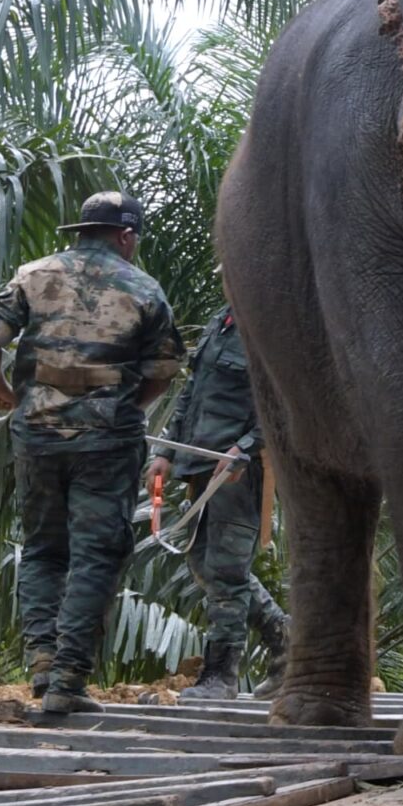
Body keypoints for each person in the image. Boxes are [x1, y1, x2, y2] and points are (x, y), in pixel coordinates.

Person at [0, 192, 184, 715]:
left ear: (82, 231)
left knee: (43, 550)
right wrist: (123, 408)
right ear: (126, 236)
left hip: (36, 434)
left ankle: (42, 664)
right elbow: (164, 370)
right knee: (96, 553)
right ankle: (67, 680)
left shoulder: (35, 274)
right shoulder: (144, 289)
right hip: (107, 442)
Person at [150, 297, 290, 702]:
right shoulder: (222, 321)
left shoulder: (270, 326)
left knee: (227, 572)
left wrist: (244, 447)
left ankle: (220, 676)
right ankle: (288, 641)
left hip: (238, 471)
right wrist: (165, 452)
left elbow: (281, 402)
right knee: (206, 566)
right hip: (199, 462)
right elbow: (191, 393)